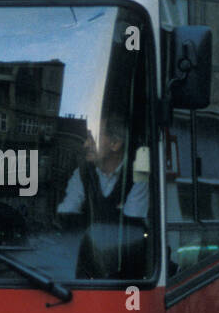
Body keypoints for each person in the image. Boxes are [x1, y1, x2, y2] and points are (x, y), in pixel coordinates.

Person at [56, 115, 149, 277]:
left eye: (92, 139)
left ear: (115, 144)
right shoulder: (82, 173)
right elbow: (67, 216)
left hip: (127, 271)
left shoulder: (139, 174)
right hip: (87, 266)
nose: (85, 145)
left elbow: (131, 227)